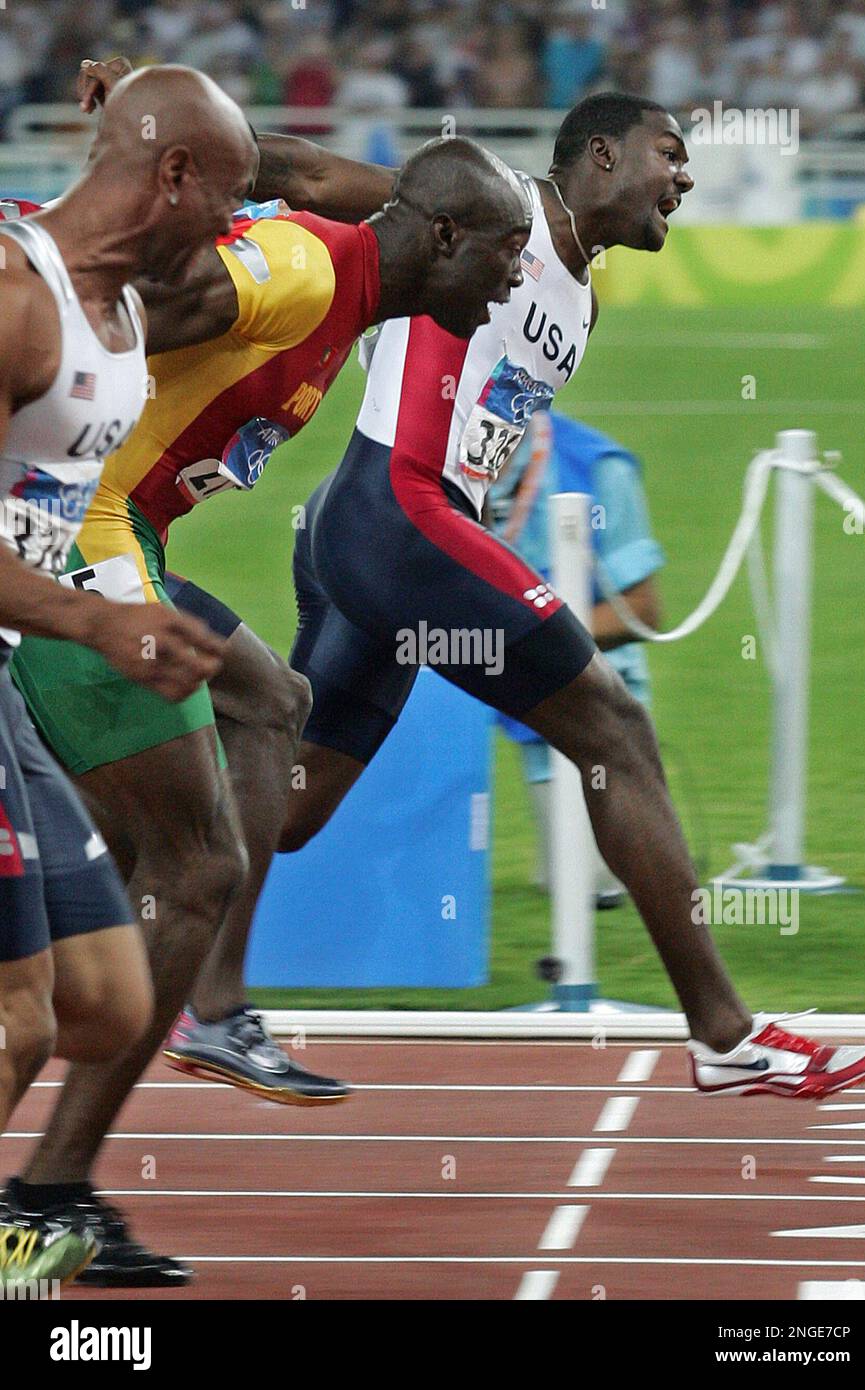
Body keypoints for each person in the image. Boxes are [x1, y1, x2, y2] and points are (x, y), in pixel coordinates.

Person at [4, 59, 531, 1288]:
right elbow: (158, 280)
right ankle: (52, 1191)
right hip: (84, 547)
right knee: (200, 861)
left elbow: (290, 172)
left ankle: (195, 990)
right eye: (502, 260)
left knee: (272, 701)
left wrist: (158, 125)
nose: (510, 287)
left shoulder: (354, 260)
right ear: (443, 241)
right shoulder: (301, 270)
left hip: (124, 540)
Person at [271, 92, 865, 1113]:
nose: (684, 180)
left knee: (286, 808)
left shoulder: (583, 297)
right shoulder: (489, 199)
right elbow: (308, 175)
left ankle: (83, 862)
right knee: (615, 727)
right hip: (395, 512)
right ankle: (727, 1036)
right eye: (670, 154)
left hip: (396, 542)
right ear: (601, 153)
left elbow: (489, 428)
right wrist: (152, 161)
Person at [0, 63, 256, 1292]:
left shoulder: (121, 308)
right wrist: (102, 628)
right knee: (24, 1018)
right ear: (171, 176)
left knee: (101, 998)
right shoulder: (14, 299)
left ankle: (34, 1202)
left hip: (8, 670)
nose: (234, 231)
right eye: (226, 199)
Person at [490, 410, 664, 906]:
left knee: (588, 887)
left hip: (576, 702)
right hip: (461, 676)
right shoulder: (434, 460)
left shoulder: (598, 465)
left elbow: (643, 610)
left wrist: (529, 640)